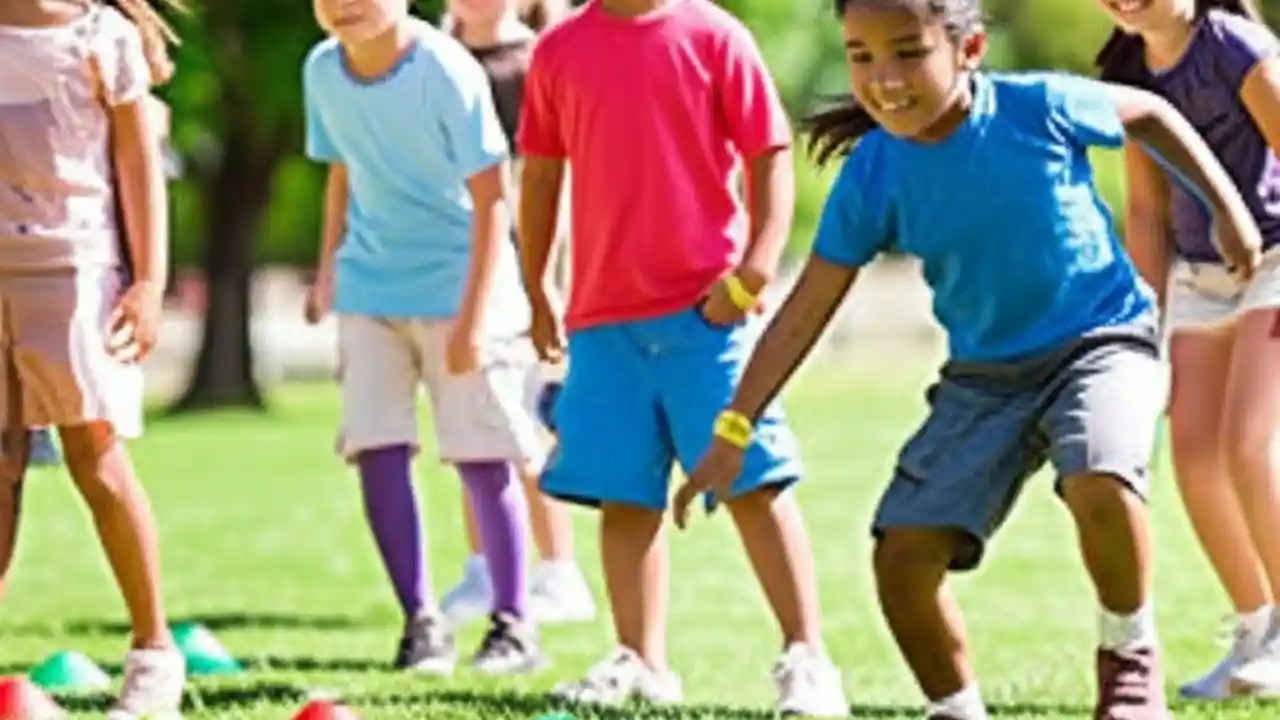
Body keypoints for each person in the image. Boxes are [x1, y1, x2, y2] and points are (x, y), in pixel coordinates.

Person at [673, 0, 1264, 717]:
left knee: (1101, 477)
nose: (884, 77)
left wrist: (1227, 207)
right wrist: (734, 428)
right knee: (901, 561)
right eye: (861, 55)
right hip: (985, 380)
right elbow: (804, 311)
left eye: (908, 52)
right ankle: (954, 707)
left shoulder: (1036, 106)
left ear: (971, 47)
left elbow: (1147, 113)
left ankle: (1128, 655)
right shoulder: (874, 174)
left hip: (1101, 339)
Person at [517, 0, 849, 714]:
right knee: (623, 496)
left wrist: (755, 270)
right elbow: (541, 174)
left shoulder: (715, 35)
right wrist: (537, 285)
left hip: (708, 318)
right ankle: (641, 662)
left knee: (755, 484)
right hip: (603, 322)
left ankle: (807, 655)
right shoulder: (558, 52)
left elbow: (770, 155)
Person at [303, 0, 545, 675]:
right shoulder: (322, 69)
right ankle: (421, 622)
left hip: (458, 284)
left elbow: (494, 196)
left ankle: (515, 623)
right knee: (375, 447)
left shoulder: (446, 70)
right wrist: (327, 271)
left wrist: (473, 317)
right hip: (370, 289)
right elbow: (341, 173)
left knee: (481, 454)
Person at [0, 0, 189, 716]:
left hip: (75, 276)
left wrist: (148, 282)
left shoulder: (101, 39)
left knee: (96, 459)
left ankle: (153, 653)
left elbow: (139, 163)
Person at [1094, 0, 1280, 699]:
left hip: (1273, 261)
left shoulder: (1237, 46)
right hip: (1200, 278)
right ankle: (1257, 628)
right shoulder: (1128, 68)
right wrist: (1145, 325)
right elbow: (1146, 211)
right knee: (1196, 456)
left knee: (1249, 445)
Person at [437, 0, 596, 629]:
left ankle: (558, 570)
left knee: (524, 424)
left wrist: (543, 281)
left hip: (518, 271)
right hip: (460, 265)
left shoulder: (532, 63)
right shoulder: (440, 57)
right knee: (470, 423)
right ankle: (484, 567)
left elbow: (546, 182)